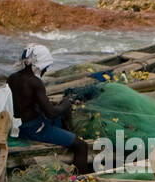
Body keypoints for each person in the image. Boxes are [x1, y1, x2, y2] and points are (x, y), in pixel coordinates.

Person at [7, 44, 93, 174]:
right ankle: (81, 180)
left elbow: (23, 102)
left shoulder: (12, 78)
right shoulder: (35, 82)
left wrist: (52, 104)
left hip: (18, 127)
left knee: (60, 115)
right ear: (40, 65)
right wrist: (65, 105)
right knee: (82, 146)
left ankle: (68, 136)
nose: (46, 71)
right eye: (46, 68)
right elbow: (51, 113)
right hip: (34, 129)